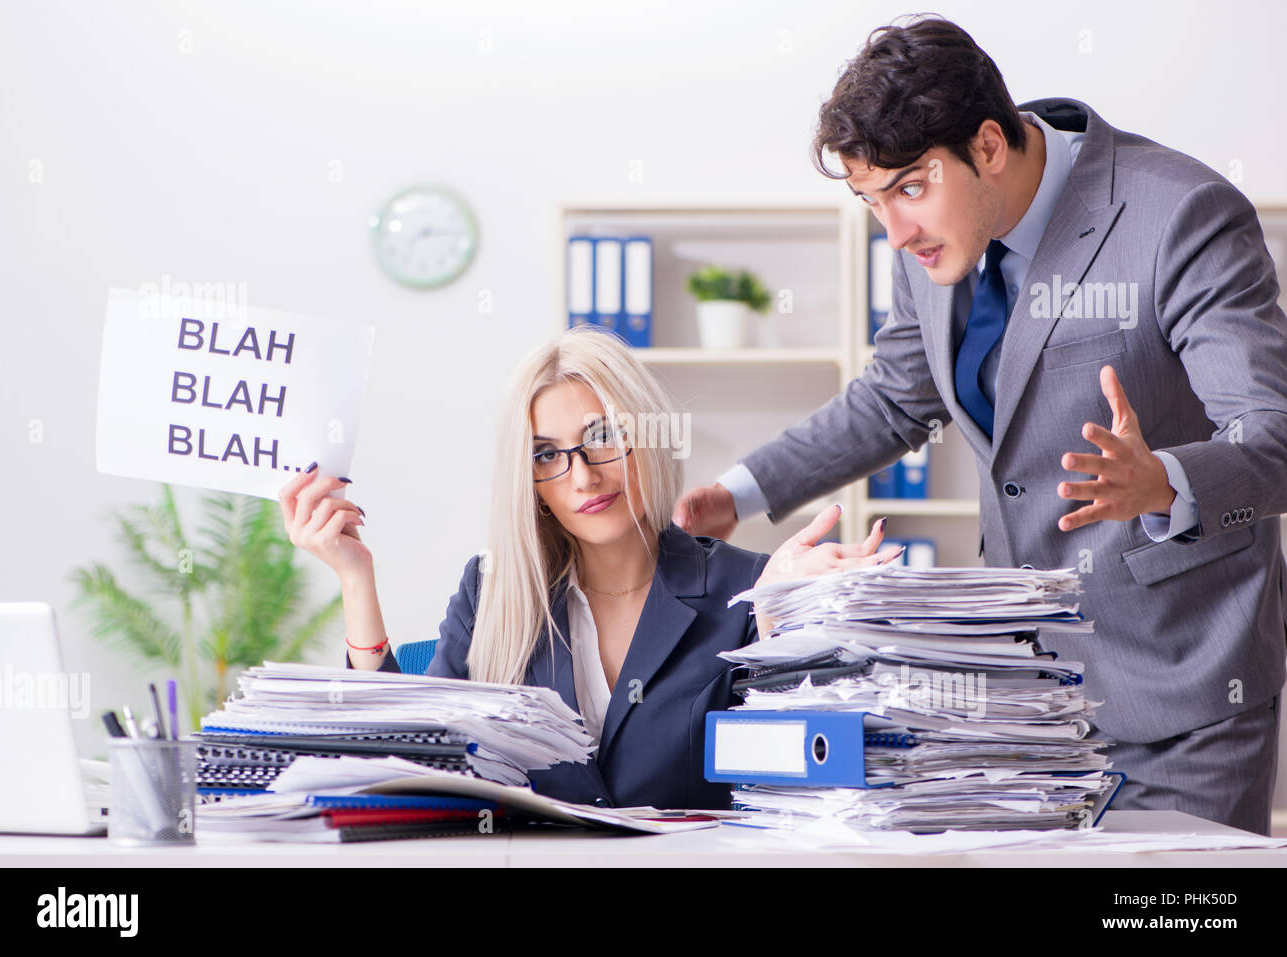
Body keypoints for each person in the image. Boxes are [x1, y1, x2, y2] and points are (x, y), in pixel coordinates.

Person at [674, 16, 1287, 834]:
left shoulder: (1180, 214)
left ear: (990, 145)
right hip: (1015, 702)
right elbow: (895, 398)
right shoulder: (930, 240)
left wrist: (1164, 480)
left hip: (1182, 693)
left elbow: (1273, 427)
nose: (893, 229)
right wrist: (736, 492)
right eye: (871, 200)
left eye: (909, 189)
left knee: (1162, 921)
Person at [278, 325, 899, 810]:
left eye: (602, 435)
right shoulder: (492, 590)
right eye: (546, 455)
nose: (582, 475)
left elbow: (801, 778)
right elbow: (415, 762)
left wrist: (786, 628)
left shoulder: (748, 590)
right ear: (529, 481)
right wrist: (356, 578)